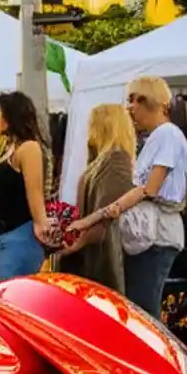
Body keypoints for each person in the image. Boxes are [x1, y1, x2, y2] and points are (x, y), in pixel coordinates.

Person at [69, 76, 187, 317]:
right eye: (130, 100)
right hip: (151, 235)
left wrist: (92, 218)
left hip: (157, 236)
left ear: (157, 102)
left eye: (138, 100)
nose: (131, 107)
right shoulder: (157, 137)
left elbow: (148, 189)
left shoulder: (167, 134)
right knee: (139, 309)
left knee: (143, 312)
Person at [58, 104, 136, 293]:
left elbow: (106, 216)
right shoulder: (102, 161)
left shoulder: (117, 161)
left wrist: (76, 244)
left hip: (101, 255)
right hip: (90, 253)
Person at [0, 91, 55, 281]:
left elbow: (35, 191)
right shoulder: (8, 148)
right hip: (5, 239)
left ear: (11, 117)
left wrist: (41, 225)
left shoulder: (29, 148)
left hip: (20, 240)